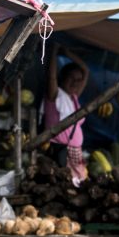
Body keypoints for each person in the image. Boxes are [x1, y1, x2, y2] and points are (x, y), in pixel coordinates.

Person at [42, 45, 89, 183]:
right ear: (63, 77)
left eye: (78, 80)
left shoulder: (73, 97)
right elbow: (51, 77)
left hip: (75, 153)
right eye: (71, 78)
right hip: (60, 152)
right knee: (62, 184)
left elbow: (86, 71)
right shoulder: (55, 95)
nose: (75, 82)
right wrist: (54, 53)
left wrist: (68, 53)